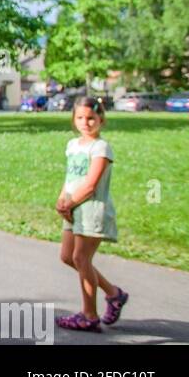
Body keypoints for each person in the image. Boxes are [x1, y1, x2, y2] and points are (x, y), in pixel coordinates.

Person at [55, 97, 127, 332]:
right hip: (73, 208)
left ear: (101, 120)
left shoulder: (101, 148)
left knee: (81, 259)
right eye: (80, 118)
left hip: (92, 209)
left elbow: (90, 185)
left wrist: (70, 203)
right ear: (73, 119)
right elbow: (70, 179)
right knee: (67, 256)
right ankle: (114, 293)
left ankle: (89, 314)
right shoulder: (73, 145)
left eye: (91, 118)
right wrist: (62, 200)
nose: (85, 122)